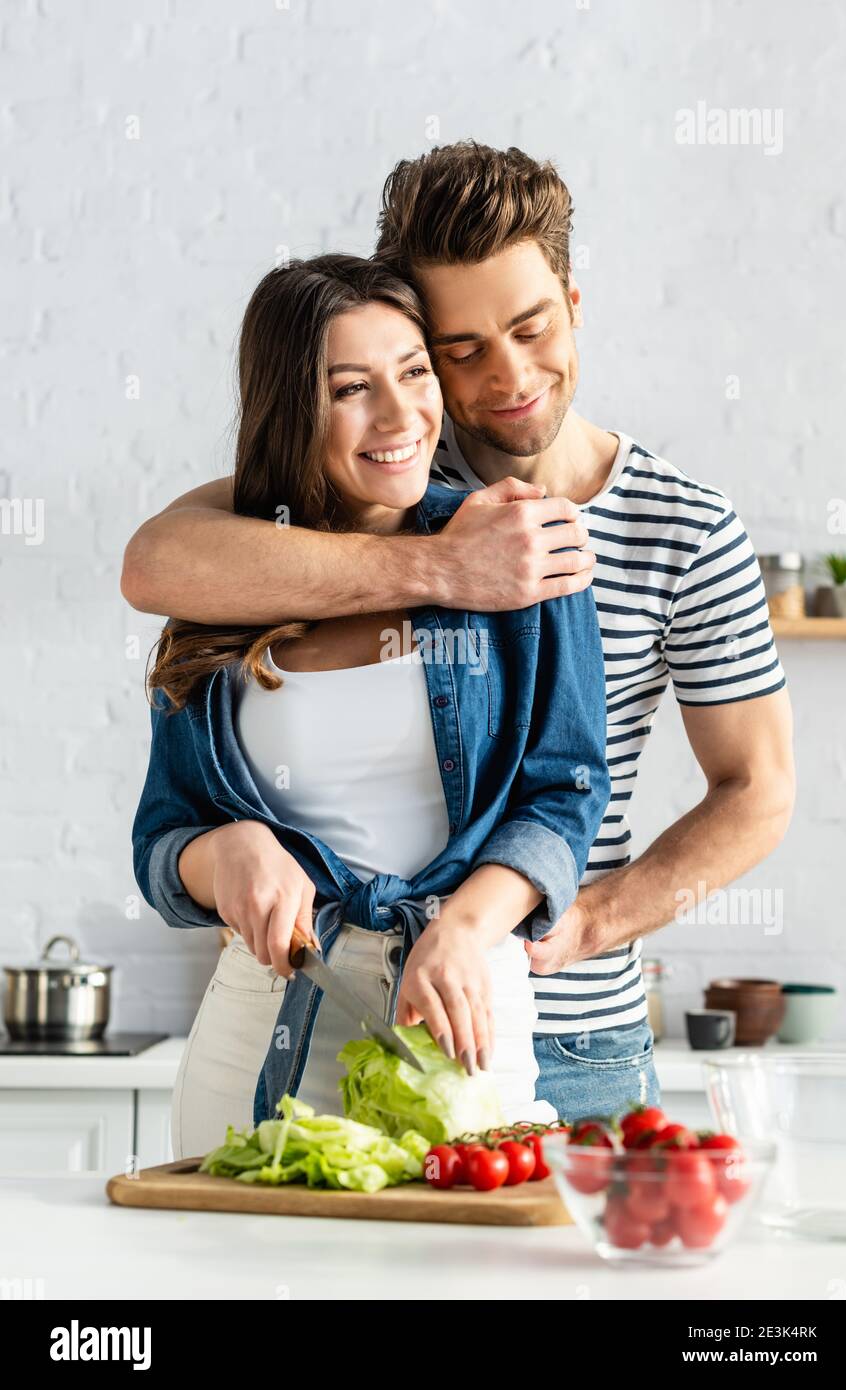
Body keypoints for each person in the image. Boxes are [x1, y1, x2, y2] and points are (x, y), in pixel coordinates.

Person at [124, 141, 795, 1123]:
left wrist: (572, 923)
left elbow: (757, 791)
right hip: (322, 1015)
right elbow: (163, 562)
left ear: (573, 302)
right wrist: (444, 566)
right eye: (461, 350)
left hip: (569, 1021)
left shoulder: (683, 526)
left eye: (529, 326)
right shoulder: (376, 483)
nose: (510, 375)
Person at [131, 253, 611, 1157]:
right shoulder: (225, 583)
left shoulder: (520, 550)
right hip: (260, 1032)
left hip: (459, 1015)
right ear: (291, 406)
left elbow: (566, 790)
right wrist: (222, 852)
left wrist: (465, 929)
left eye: (416, 372)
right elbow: (162, 837)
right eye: (351, 387)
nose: (399, 418)